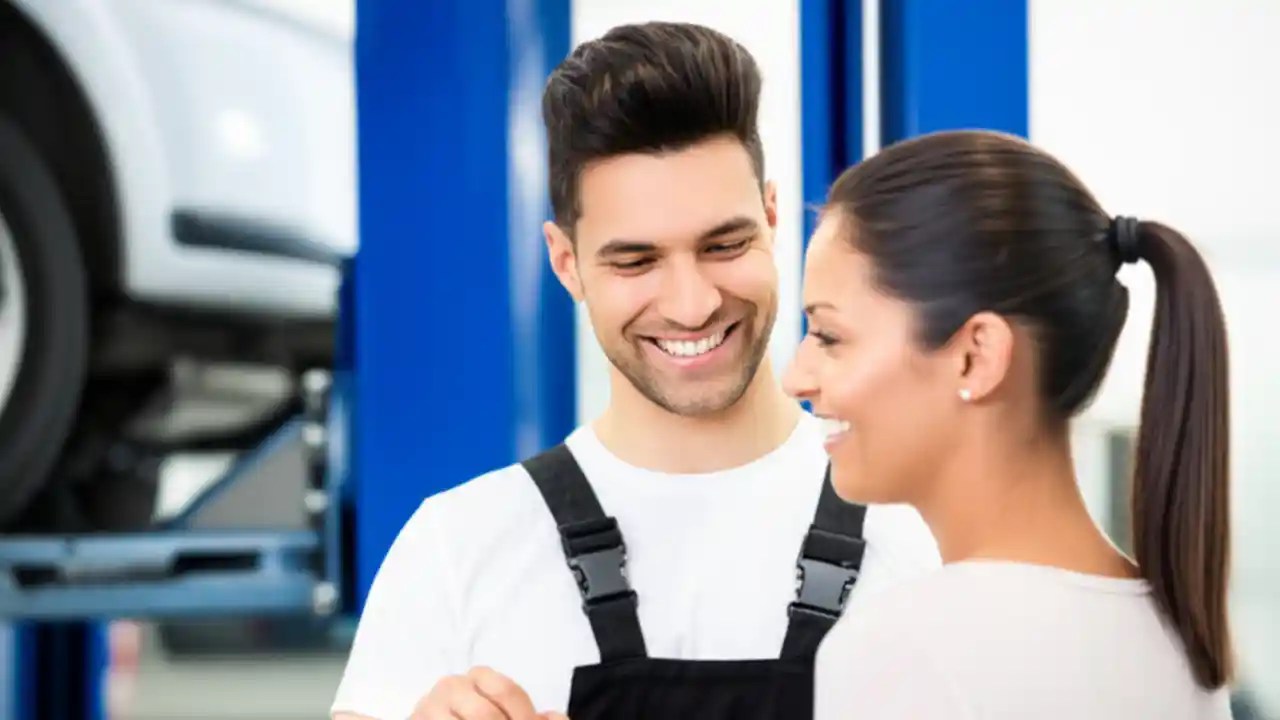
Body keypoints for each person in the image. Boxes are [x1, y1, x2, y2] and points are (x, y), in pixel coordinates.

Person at [330, 21, 940, 720]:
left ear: (772, 218)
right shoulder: (456, 548)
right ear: (567, 263)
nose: (692, 304)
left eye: (724, 244)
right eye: (635, 261)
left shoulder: (922, 530)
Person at [786, 129, 1234, 719]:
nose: (797, 377)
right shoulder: (1181, 649)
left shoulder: (900, 649)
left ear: (977, 355)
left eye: (829, 336)